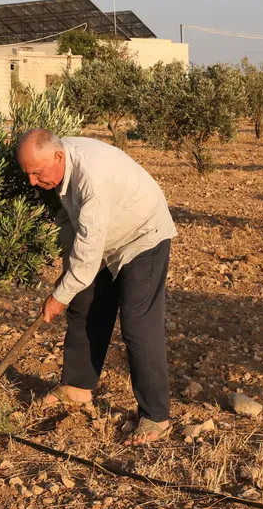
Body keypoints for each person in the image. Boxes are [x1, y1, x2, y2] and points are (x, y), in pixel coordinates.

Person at [16, 129, 177, 445]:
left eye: (36, 173)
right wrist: (67, 279)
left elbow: (88, 253)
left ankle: (156, 416)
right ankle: (77, 388)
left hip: (142, 236)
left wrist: (58, 297)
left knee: (137, 325)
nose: (33, 182)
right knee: (85, 305)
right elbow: (69, 226)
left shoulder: (94, 178)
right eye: (28, 174)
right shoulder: (57, 169)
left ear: (59, 157)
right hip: (105, 238)